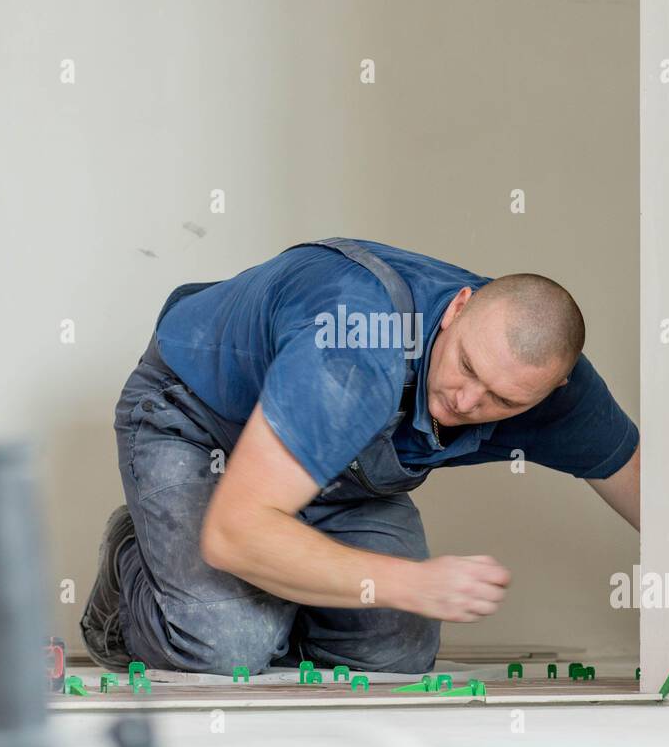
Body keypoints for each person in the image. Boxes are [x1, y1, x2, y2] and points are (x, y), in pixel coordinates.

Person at [81, 238, 639, 675]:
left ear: (552, 389)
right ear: (457, 308)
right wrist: (414, 584)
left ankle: (271, 590)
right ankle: (136, 559)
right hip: (198, 422)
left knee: (395, 651)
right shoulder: (355, 348)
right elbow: (236, 533)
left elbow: (658, 504)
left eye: (503, 400)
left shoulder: (555, 392)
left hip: (339, 473)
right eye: (467, 366)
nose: (467, 402)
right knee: (228, 643)